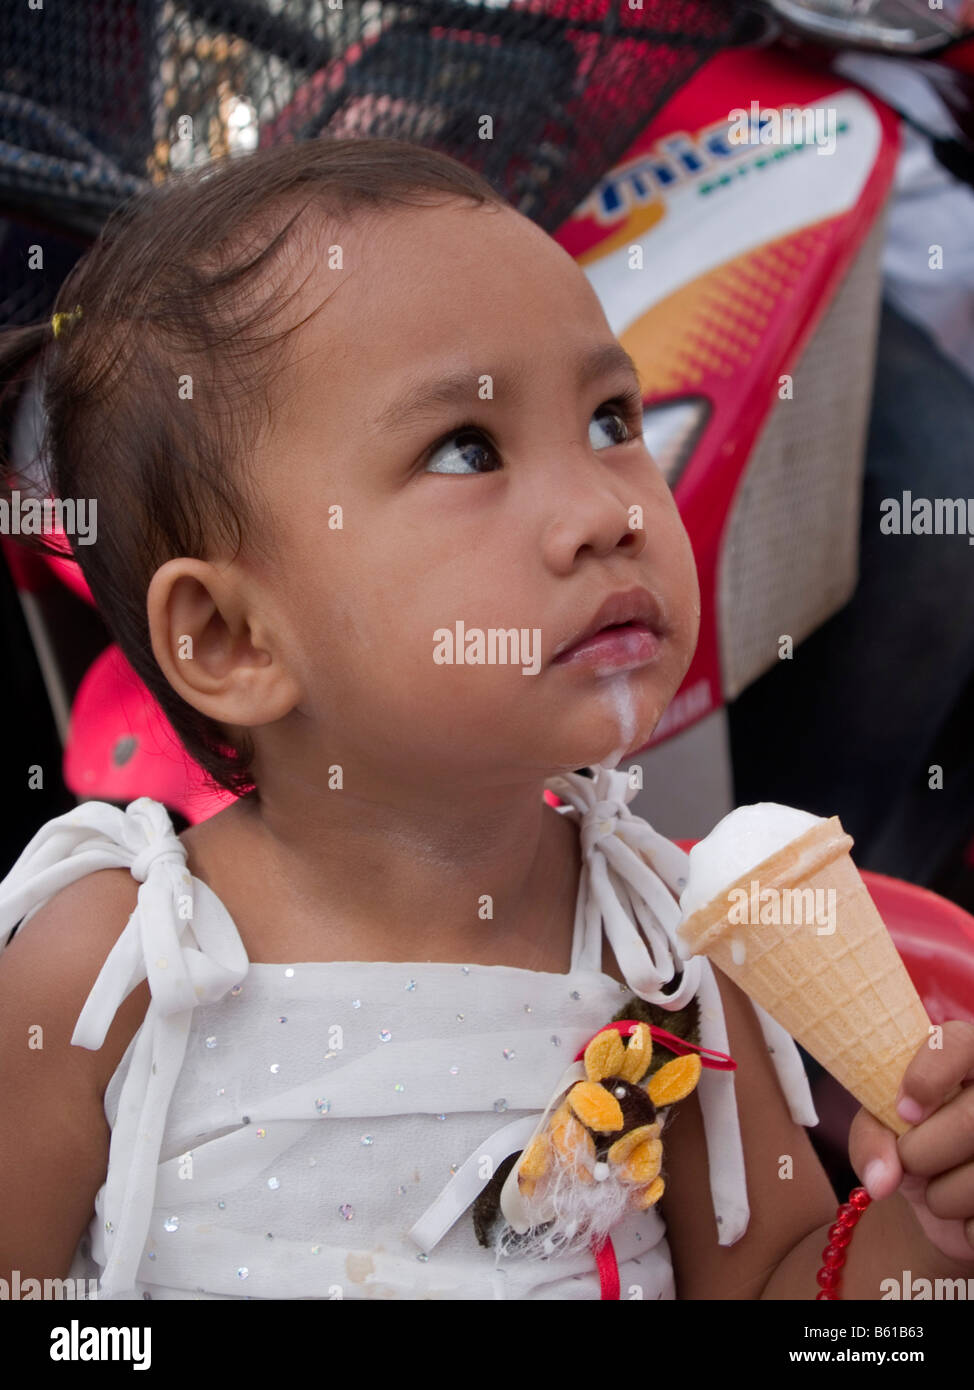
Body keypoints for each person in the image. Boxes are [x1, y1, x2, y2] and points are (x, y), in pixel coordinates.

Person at [0, 138, 972, 1301]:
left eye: (613, 418)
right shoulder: (117, 966)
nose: (605, 510)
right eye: (467, 448)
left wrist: (930, 1238)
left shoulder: (665, 950)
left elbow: (777, 1288)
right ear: (231, 638)